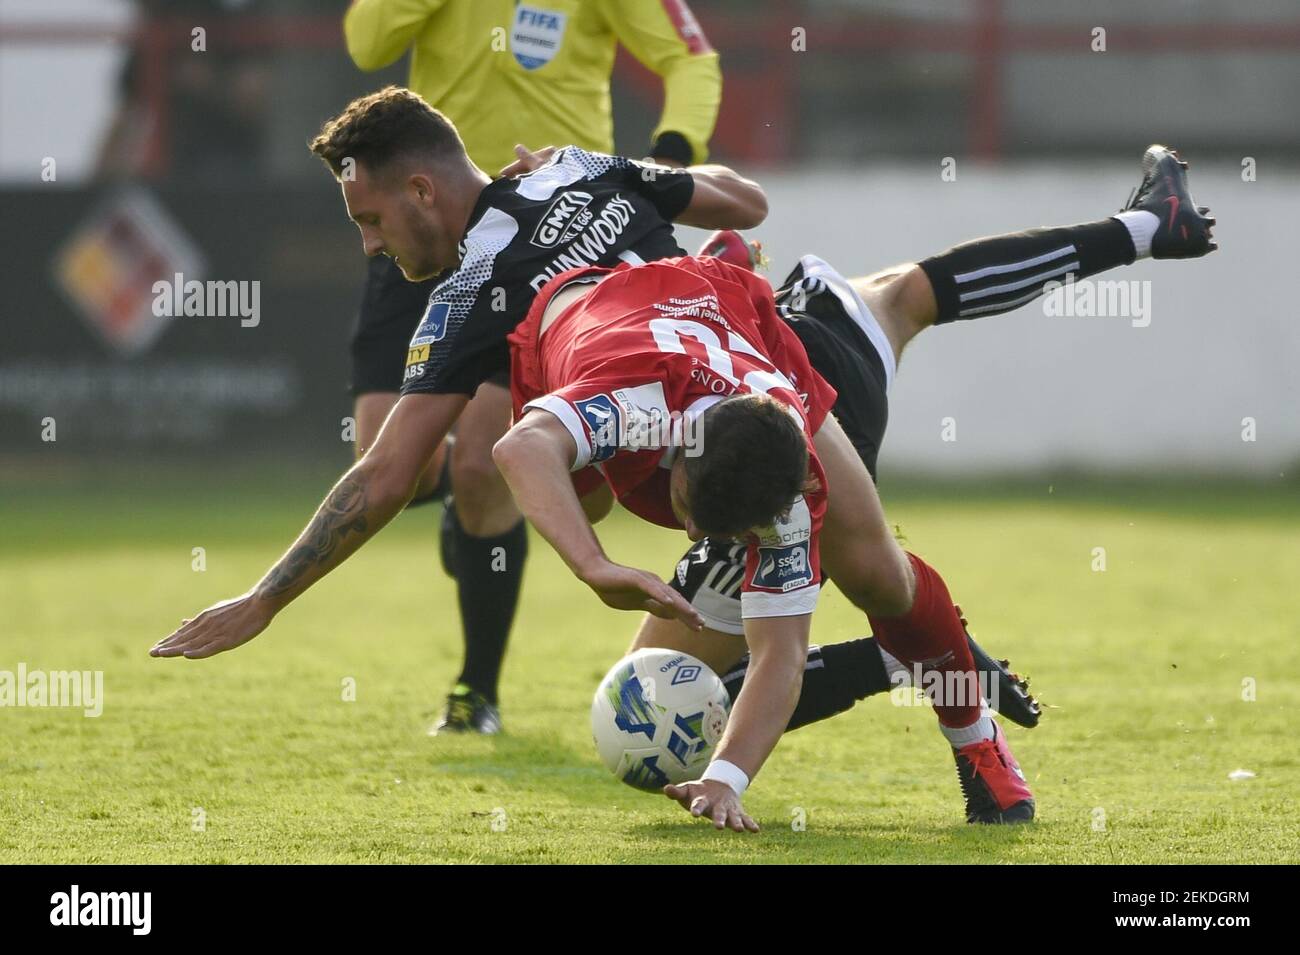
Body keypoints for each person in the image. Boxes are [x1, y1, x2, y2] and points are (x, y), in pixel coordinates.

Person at [149, 89, 1214, 823]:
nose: (372, 245)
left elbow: (388, 475)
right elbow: (743, 206)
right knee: (895, 318)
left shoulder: (469, 295)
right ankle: (1137, 232)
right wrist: (634, 176)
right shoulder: (569, 167)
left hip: (735, 395)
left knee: (793, 617)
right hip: (740, 344)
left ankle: (960, 720)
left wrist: (265, 600)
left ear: (420, 189)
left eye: (370, 218)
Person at [491, 146, 1216, 830]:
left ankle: (961, 720)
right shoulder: (640, 378)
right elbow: (529, 450)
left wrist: (728, 778)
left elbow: (741, 204)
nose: (685, 532)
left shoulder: (767, 475)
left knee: (868, 581)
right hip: (771, 344)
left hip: (799, 384)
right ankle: (1147, 227)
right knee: (654, 695)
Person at [342, 0, 722, 733]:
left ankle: (474, 690)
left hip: (539, 246)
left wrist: (665, 158)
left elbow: (691, 59)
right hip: (420, 228)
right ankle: (492, 505)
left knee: (483, 466)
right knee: (393, 466)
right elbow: (366, 43)